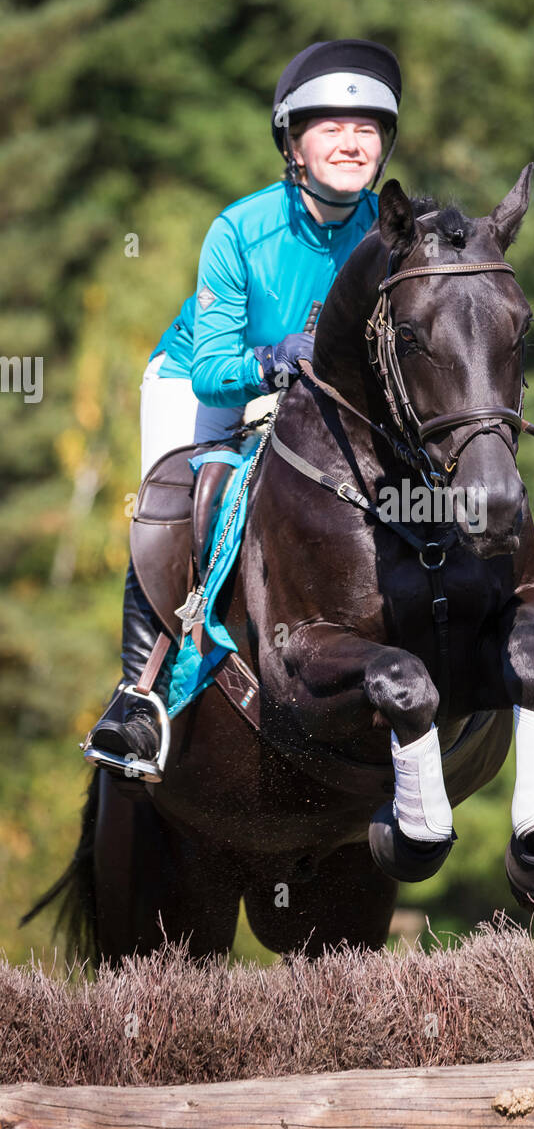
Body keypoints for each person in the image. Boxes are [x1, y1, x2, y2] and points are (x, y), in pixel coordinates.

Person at [84, 39, 402, 783]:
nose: (352, 143)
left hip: (322, 397)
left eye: (367, 129)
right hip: (206, 378)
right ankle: (137, 702)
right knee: (171, 498)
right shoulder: (239, 228)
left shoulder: (392, 231)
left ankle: (523, 623)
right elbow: (212, 373)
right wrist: (271, 360)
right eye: (330, 128)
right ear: (292, 144)